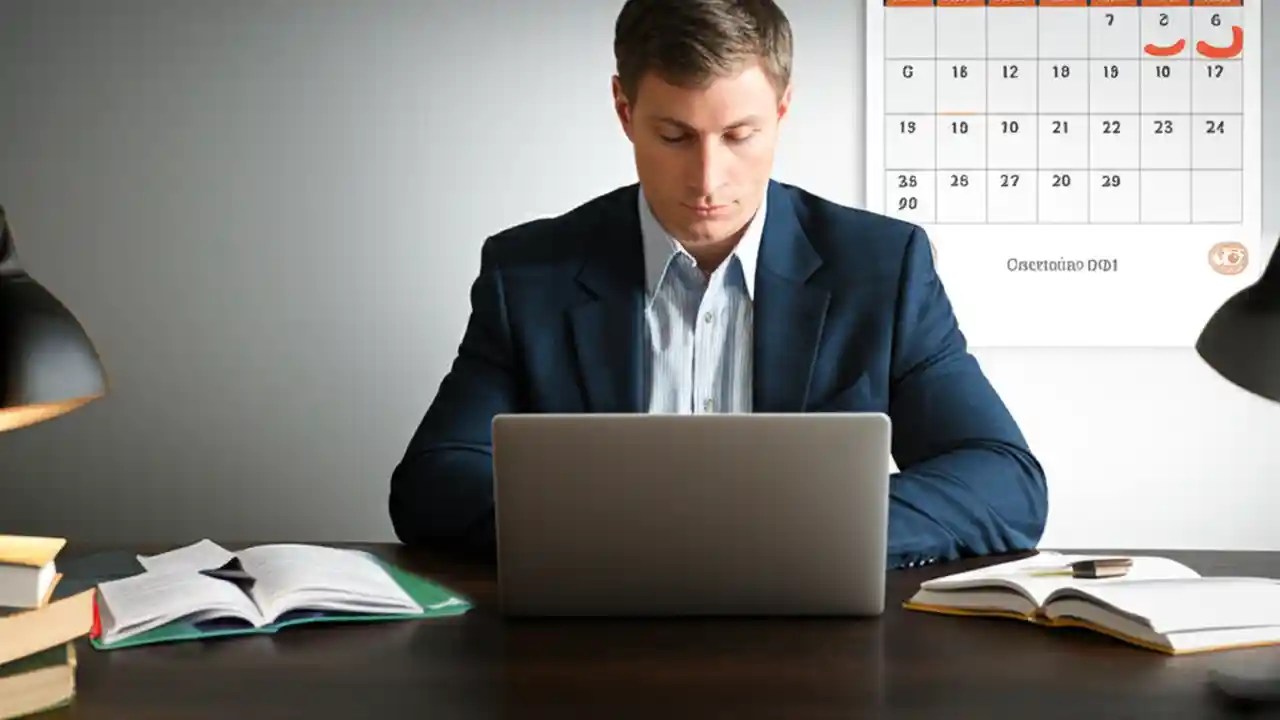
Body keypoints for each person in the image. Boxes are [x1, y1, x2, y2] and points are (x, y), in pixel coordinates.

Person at [389, 0, 1047, 569]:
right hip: (592, 651)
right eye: (674, 136)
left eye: (739, 135)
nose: (708, 180)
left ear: (783, 110)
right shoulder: (527, 272)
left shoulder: (884, 266)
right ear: (624, 110)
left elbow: (1005, 481)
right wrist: (633, 536)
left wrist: (802, 529)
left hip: (818, 655)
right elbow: (433, 481)